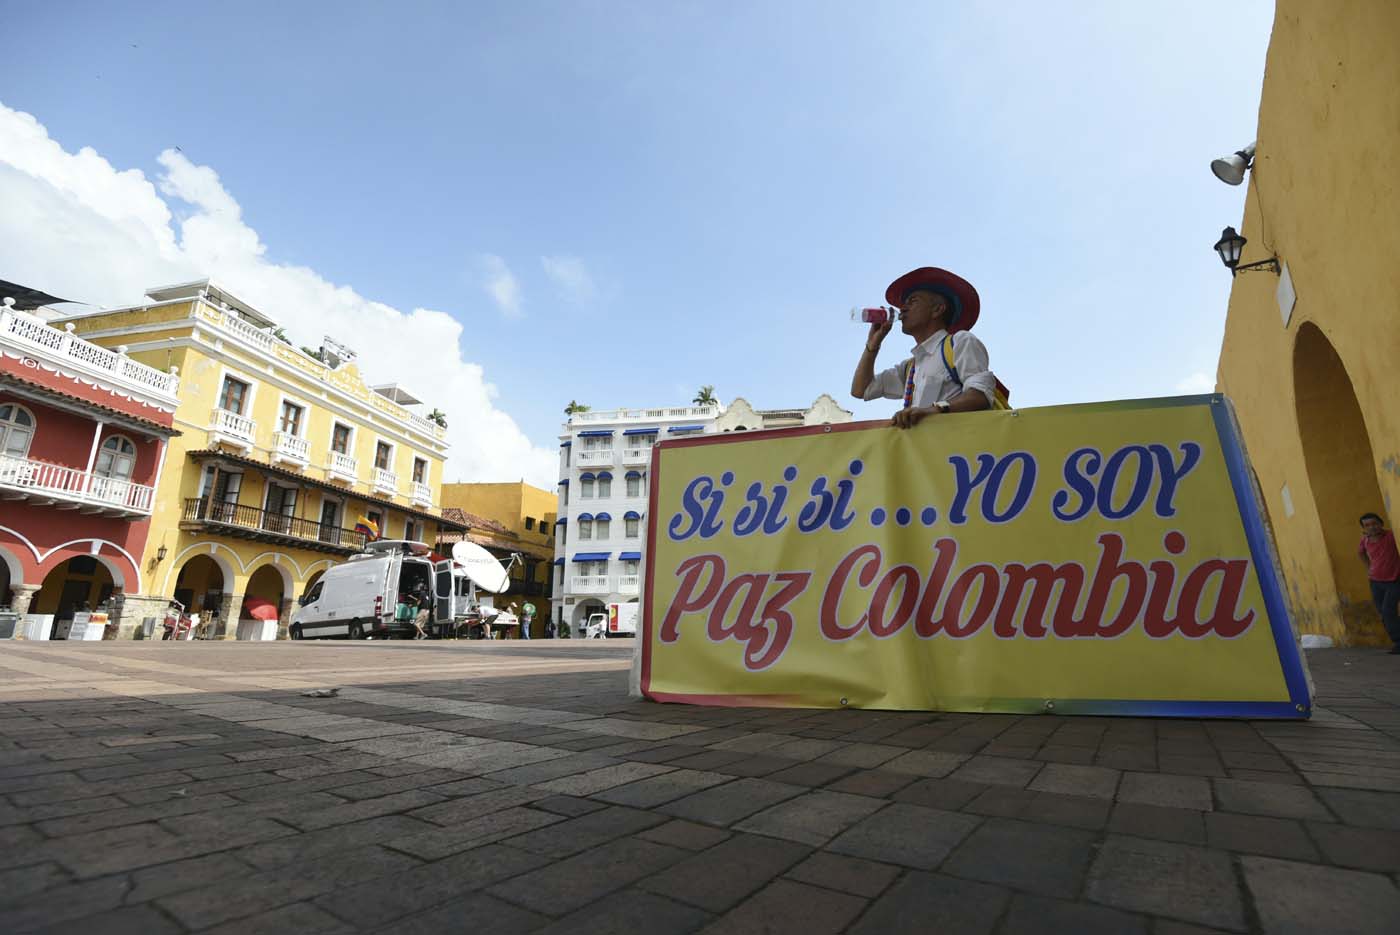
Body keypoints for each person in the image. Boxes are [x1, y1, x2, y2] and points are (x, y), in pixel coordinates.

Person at [851, 266, 1001, 428]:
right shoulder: (910, 367)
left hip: (957, 448)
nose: (902, 309)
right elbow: (861, 390)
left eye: (913, 301)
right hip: (923, 451)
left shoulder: (960, 342)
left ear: (937, 309)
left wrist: (933, 410)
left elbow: (980, 396)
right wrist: (873, 344)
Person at [1358, 512, 1400, 653]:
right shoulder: (1365, 541)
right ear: (1364, 528)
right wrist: (1369, 568)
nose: (1372, 527)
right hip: (1375, 581)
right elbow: (1361, 553)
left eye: (1374, 523)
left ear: (1381, 523)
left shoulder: (1391, 536)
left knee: (1388, 611)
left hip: (1394, 580)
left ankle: (1398, 641)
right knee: (1383, 612)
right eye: (1367, 525)